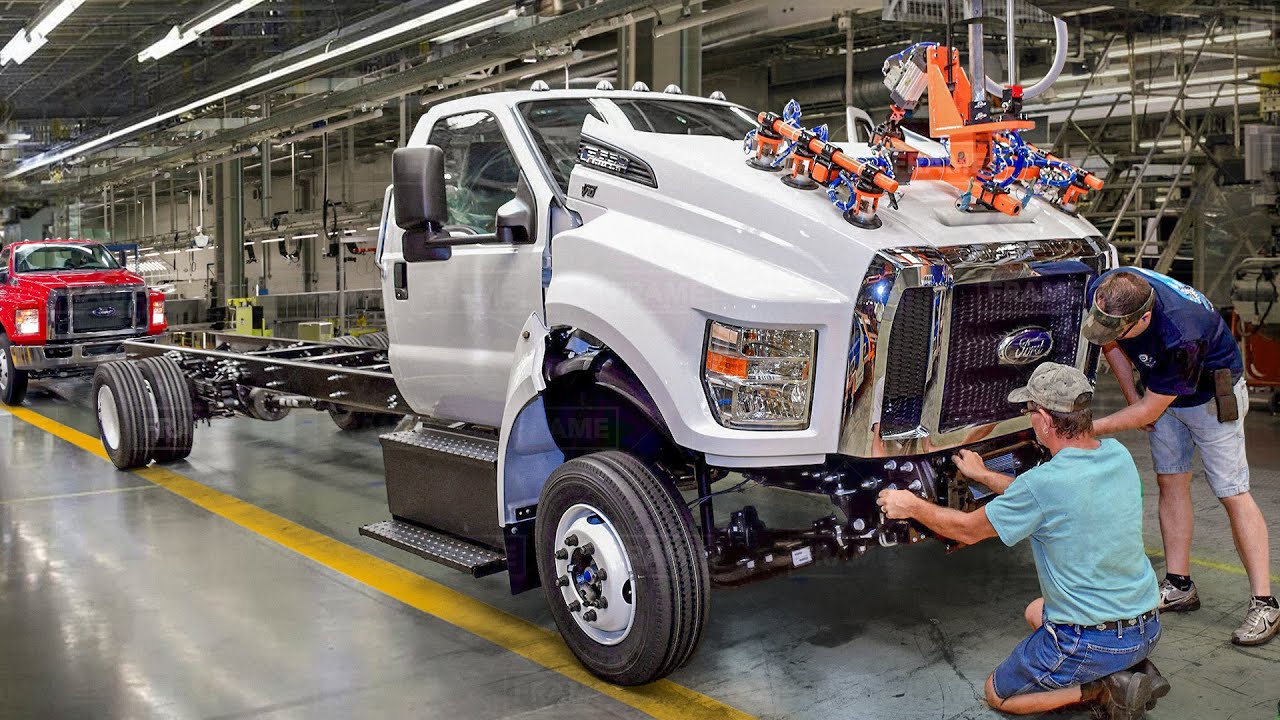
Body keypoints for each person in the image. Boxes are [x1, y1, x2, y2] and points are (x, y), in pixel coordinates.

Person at [878, 363, 1166, 719]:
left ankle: (1103, 689)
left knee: (998, 694)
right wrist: (983, 475)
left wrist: (911, 505)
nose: (1030, 419)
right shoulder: (1117, 455)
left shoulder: (1045, 483)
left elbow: (968, 529)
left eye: (1030, 411)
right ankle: (1133, 666)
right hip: (1148, 624)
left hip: (1095, 639)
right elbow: (1045, 500)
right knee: (1035, 611)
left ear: (1045, 420)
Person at [1084, 268, 1277, 647]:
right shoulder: (1108, 289)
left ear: (1144, 317)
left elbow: (1148, 414)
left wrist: (1088, 429)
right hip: (1160, 390)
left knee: (1232, 492)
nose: (1111, 333)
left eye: (1119, 328)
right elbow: (1112, 346)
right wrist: (1133, 399)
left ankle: (1266, 603)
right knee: (1170, 481)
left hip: (1209, 394)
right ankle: (1179, 585)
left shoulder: (1181, 334)